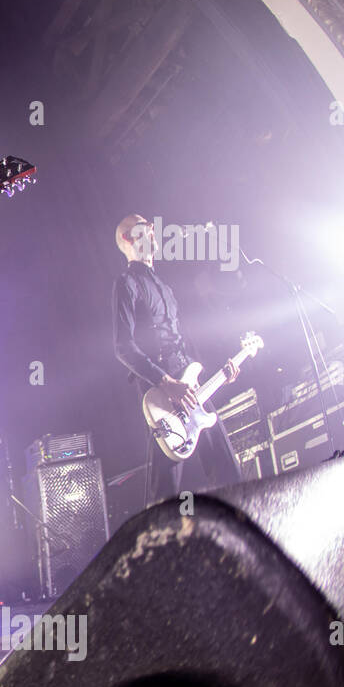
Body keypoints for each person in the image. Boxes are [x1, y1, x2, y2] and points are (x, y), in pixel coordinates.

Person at [112, 213, 240, 507]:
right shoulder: (126, 284)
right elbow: (123, 347)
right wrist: (167, 383)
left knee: (227, 470)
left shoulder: (165, 288)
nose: (154, 233)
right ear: (128, 239)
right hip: (162, 393)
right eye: (145, 229)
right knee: (165, 492)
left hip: (190, 384)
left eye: (153, 228)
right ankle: (159, 547)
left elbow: (184, 346)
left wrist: (222, 371)